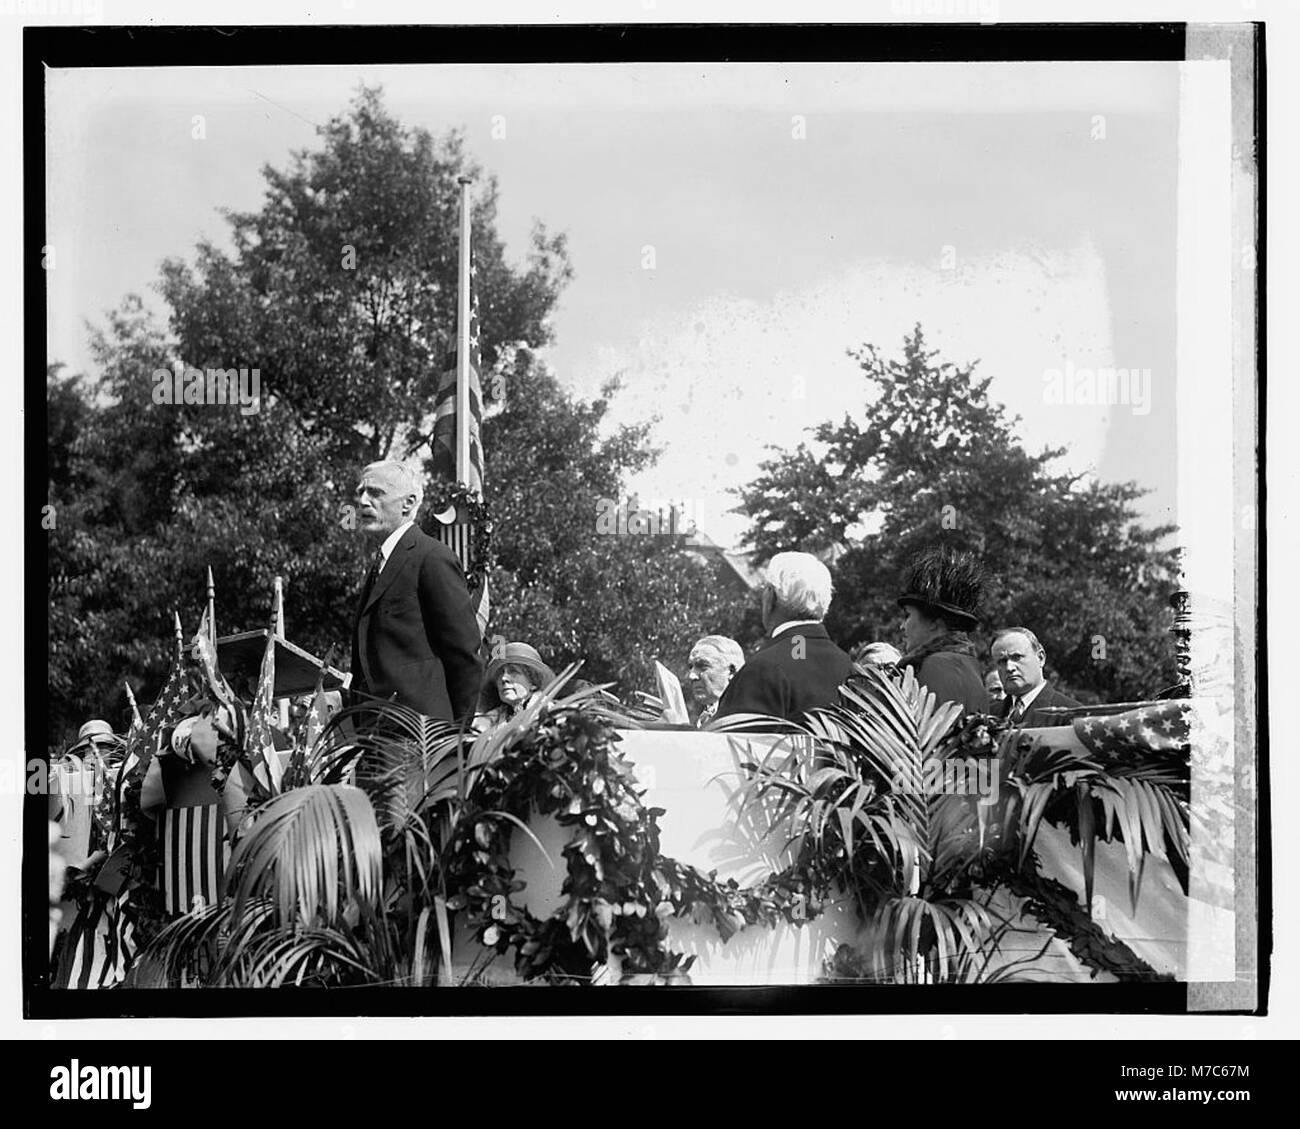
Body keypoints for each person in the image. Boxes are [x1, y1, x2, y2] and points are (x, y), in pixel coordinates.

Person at [349, 460, 483, 722]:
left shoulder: (432, 557)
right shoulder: (379, 566)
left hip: (422, 734)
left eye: (375, 493)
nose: (363, 501)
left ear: (408, 503)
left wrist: (456, 735)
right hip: (375, 734)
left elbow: (464, 654)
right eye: (360, 492)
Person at [713, 552, 853, 723]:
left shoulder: (763, 670)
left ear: (771, 596)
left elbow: (730, 737)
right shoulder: (849, 667)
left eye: (764, 589)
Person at [896, 546, 990, 714]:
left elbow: (928, 729)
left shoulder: (934, 666)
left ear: (934, 622)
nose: (902, 626)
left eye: (907, 615)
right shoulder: (969, 665)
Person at [990, 627, 1081, 726]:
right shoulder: (989, 714)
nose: (1009, 668)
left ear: (1040, 658)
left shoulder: (1072, 714)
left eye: (1017, 657)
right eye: (1002, 661)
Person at [474, 642, 556, 733]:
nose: (504, 678)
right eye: (500, 673)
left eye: (513, 671)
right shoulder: (493, 717)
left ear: (533, 682)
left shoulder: (548, 710)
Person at [684, 635, 745, 727]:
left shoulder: (747, 717)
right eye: (690, 667)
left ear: (731, 671)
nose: (692, 676)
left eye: (703, 666)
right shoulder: (704, 717)